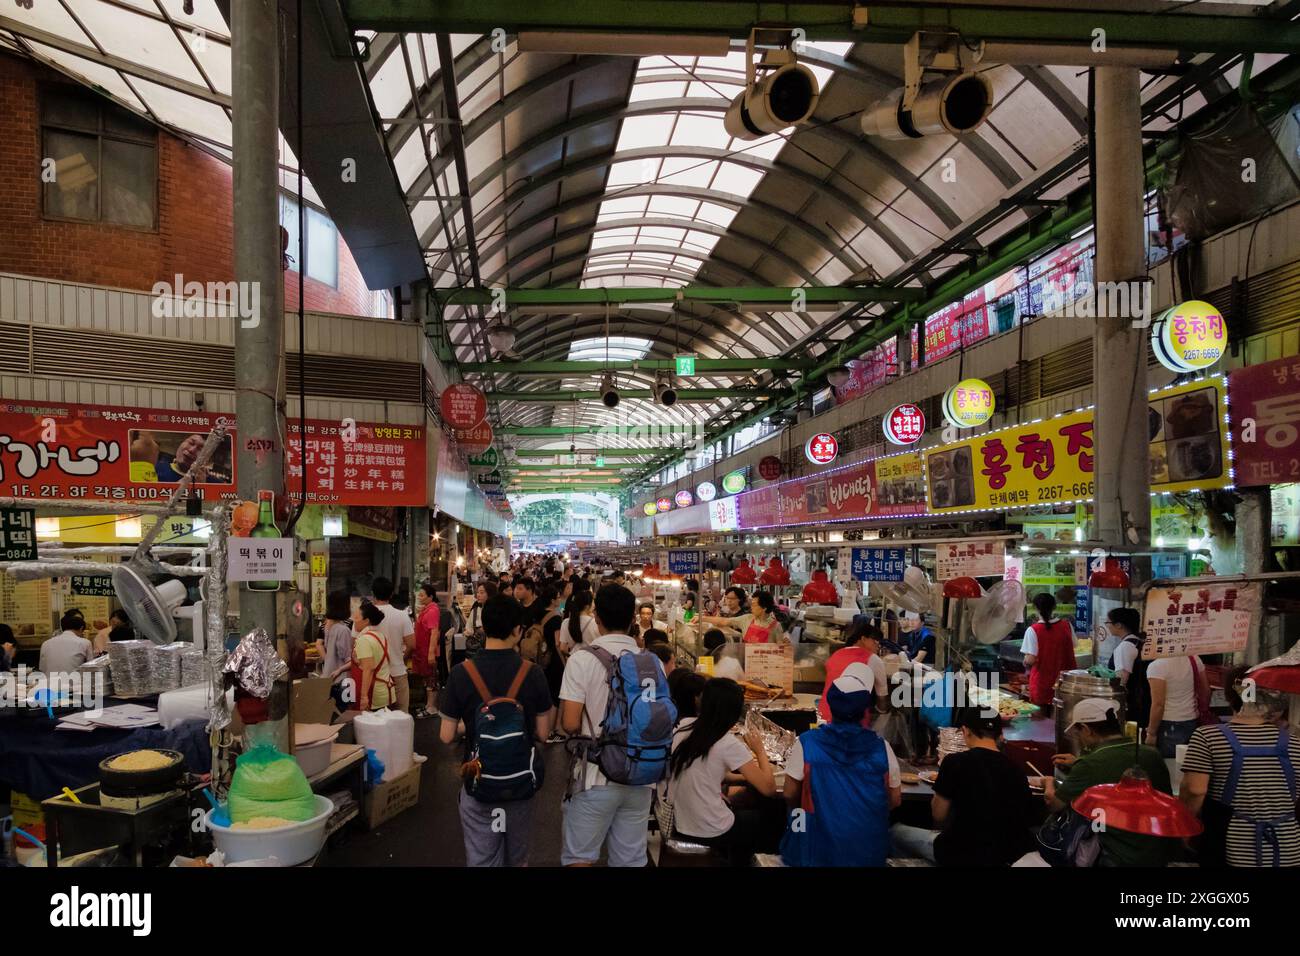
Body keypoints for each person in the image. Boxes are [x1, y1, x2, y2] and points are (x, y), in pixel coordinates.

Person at [439, 594, 555, 867]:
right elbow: (543, 733)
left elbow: (445, 736)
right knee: (518, 859)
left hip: (479, 783)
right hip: (520, 783)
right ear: (518, 630)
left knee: (482, 860)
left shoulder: (461, 672)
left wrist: (474, 723)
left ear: (483, 627)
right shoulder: (533, 672)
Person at [558, 583, 659, 867]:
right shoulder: (651, 662)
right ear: (633, 619)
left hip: (595, 775)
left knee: (581, 857)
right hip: (641, 774)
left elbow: (569, 723)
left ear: (597, 618)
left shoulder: (581, 660)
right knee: (629, 860)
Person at [781, 662, 902, 867]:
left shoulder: (807, 743)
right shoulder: (883, 748)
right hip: (869, 855)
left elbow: (789, 793)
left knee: (797, 820)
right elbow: (895, 800)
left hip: (816, 855)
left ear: (830, 704)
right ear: (865, 710)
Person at [1180, 667, 1300, 867]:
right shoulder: (1295, 744)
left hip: (1232, 846)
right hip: (1289, 848)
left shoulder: (1208, 737)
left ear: (1230, 696)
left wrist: (1184, 831)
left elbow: (1194, 790)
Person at [890, 707, 1039, 865]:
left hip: (960, 852)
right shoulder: (1017, 770)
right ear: (999, 735)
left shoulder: (955, 762)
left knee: (894, 832)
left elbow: (938, 815)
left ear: (965, 731)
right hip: (1005, 856)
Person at [1044, 698, 1174, 866]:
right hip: (1157, 851)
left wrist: (1048, 782)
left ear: (1086, 729)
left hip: (1114, 855)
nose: (1078, 738)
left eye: (1078, 733)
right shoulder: (1152, 754)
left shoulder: (1090, 764)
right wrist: (1078, 763)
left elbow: (1054, 804)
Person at [667, 678, 777, 866]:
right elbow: (769, 788)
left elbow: (706, 772)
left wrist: (744, 779)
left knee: (741, 807)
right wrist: (760, 751)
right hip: (712, 830)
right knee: (769, 821)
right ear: (734, 711)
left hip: (682, 824)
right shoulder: (727, 743)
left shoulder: (683, 730)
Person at [818, 618, 888, 727]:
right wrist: (882, 711)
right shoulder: (873, 659)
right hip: (854, 723)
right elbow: (882, 697)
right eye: (875, 641)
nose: (877, 645)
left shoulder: (837, 654)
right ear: (863, 639)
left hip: (823, 717)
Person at [1146, 652, 1210, 758]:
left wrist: (1151, 733)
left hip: (1168, 723)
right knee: (1189, 763)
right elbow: (1206, 690)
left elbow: (1158, 704)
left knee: (1170, 766)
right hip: (1193, 720)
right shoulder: (1193, 658)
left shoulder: (1157, 666)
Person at [1021, 593, 1078, 709]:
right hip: (1066, 684)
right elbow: (1074, 645)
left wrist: (1025, 661)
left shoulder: (1033, 630)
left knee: (1041, 723)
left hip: (1042, 684)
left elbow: (1030, 659)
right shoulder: (1067, 625)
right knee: (1063, 718)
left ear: (1035, 608)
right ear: (1054, 607)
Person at [370, 577, 413, 714]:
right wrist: (402, 658)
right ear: (391, 594)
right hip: (397, 672)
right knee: (400, 717)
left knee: (375, 718)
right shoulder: (402, 615)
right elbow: (412, 644)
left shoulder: (365, 616)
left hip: (373, 676)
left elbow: (354, 645)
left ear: (373, 593)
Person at [1106, 607, 1151, 728]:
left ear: (1119, 625)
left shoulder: (1125, 646)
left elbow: (1121, 680)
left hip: (1132, 703)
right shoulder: (1138, 641)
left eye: (1108, 622)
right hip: (1143, 700)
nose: (1107, 626)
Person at [350, 601, 393, 712]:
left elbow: (368, 669)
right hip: (384, 689)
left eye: (356, 617)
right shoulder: (380, 635)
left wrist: (364, 697)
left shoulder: (364, 640)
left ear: (366, 621)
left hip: (373, 694)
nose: (353, 620)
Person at [317, 590, 355, 712]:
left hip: (328, 678)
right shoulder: (343, 630)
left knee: (331, 717)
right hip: (342, 681)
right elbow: (347, 659)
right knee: (344, 716)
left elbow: (321, 646)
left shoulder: (327, 627)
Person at [411, 583, 441, 718]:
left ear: (430, 597)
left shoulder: (433, 610)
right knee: (427, 678)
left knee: (431, 679)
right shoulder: (426, 609)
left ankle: (432, 707)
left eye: (422, 595)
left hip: (427, 651)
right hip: (422, 650)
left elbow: (434, 633)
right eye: (419, 594)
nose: (420, 597)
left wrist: (431, 654)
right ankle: (428, 705)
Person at [39, 610, 91, 674]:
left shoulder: (45, 644)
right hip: (75, 683)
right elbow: (91, 669)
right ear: (81, 628)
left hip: (51, 683)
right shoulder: (85, 643)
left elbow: (43, 669)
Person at [562, 587, 599, 653]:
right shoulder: (595, 623)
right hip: (591, 659)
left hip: (572, 658)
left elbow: (562, 648)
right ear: (587, 606)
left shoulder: (566, 622)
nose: (594, 605)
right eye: (593, 602)